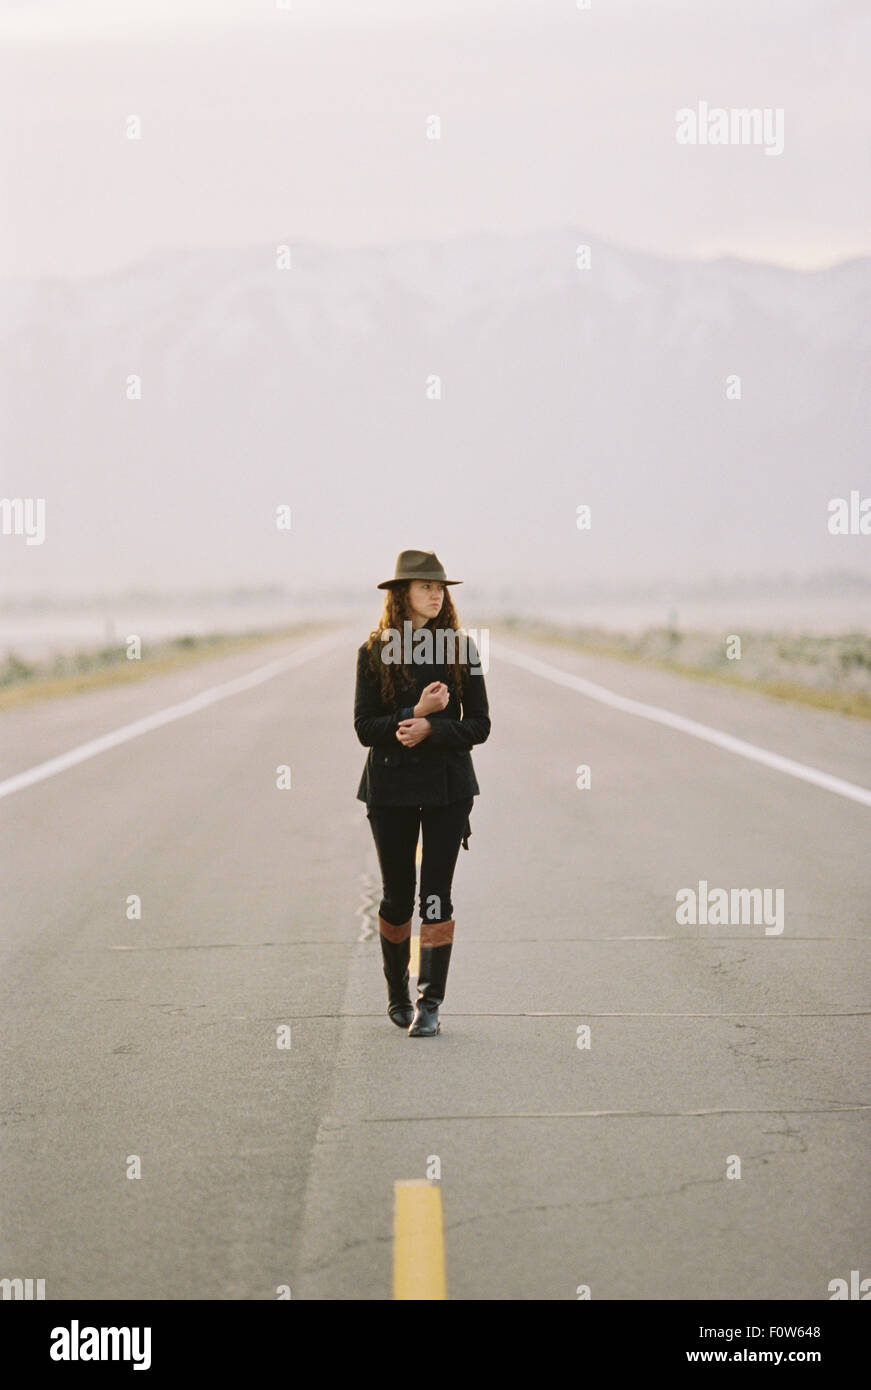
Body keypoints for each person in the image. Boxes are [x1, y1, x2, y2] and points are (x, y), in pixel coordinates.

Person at [353, 549, 491, 1037]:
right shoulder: (373, 652)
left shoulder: (462, 649)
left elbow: (479, 725)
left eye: (440, 588)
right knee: (396, 898)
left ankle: (430, 1003)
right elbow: (365, 728)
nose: (436, 595)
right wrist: (415, 711)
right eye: (425, 587)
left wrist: (432, 730)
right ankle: (397, 994)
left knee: (436, 896)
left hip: (448, 789)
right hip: (389, 788)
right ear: (402, 594)